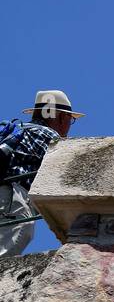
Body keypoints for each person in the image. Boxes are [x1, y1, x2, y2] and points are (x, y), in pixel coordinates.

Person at [0, 90, 83, 257]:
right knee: (13, 239)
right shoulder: (50, 136)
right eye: (70, 119)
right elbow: (66, 174)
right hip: (12, 196)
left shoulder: (21, 129)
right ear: (60, 117)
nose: (69, 125)